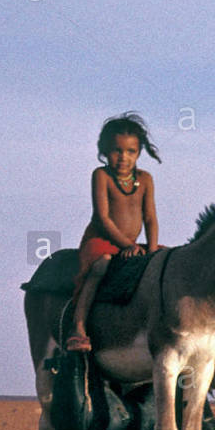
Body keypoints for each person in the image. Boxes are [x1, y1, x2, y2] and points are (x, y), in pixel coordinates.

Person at [66, 113, 162, 352]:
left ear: (139, 152)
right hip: (102, 241)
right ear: (105, 151)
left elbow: (150, 218)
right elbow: (103, 218)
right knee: (101, 266)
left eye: (131, 151)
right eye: (116, 150)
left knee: (167, 262)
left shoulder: (145, 179)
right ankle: (78, 327)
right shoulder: (102, 176)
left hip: (134, 244)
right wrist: (126, 245)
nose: (123, 157)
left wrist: (151, 250)